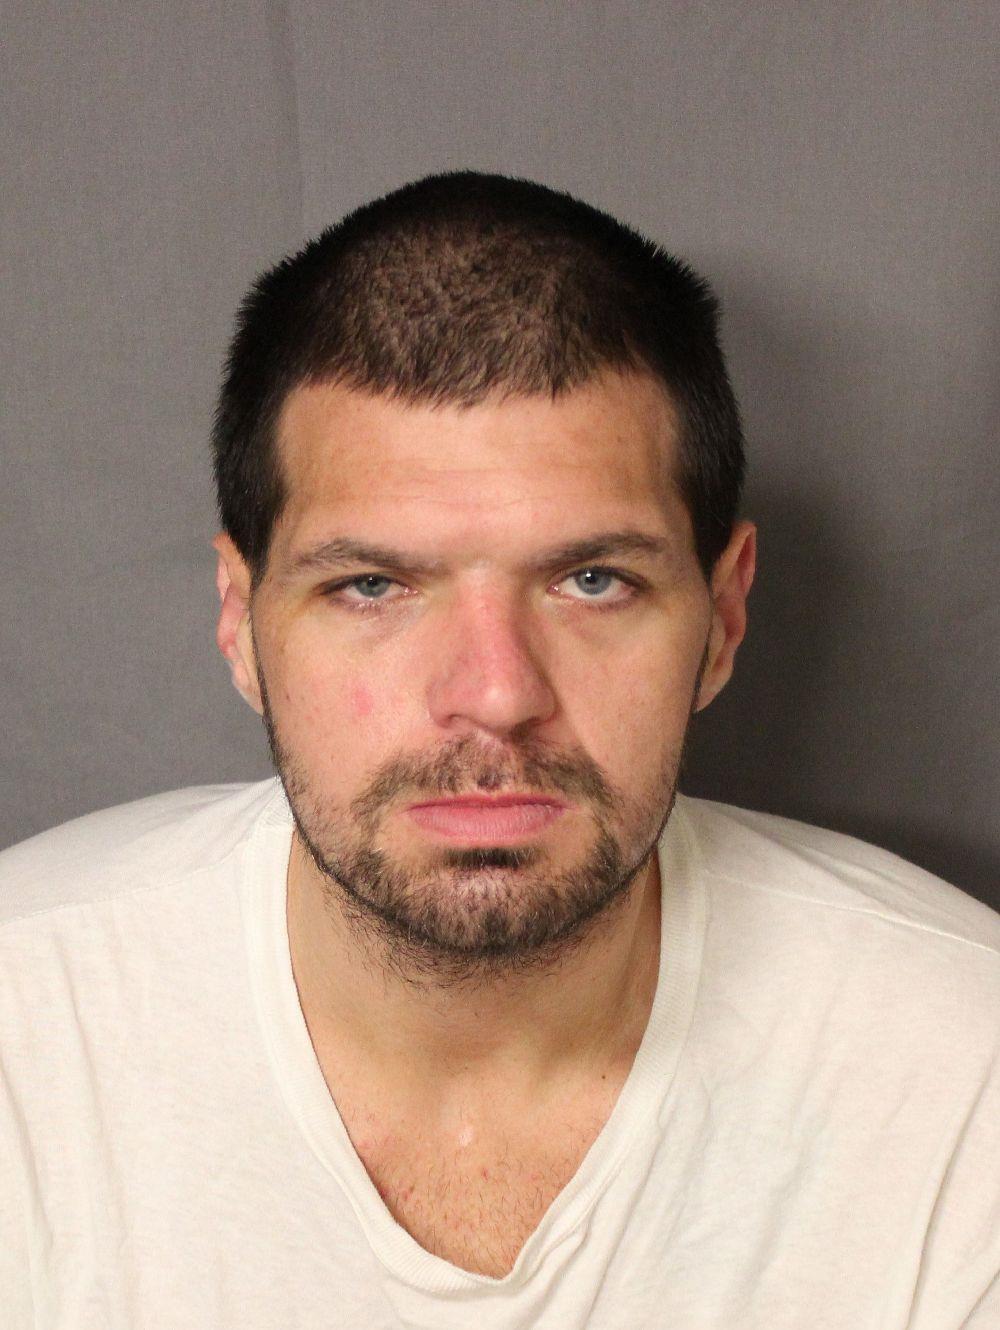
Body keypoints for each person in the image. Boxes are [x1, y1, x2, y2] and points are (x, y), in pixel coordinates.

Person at [1, 171, 997, 1329]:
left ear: (723, 617)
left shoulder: (964, 1075)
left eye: (593, 581)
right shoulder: (25, 1035)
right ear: (240, 622)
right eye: (372, 585)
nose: (494, 695)